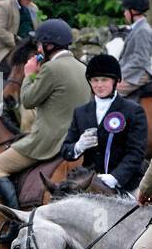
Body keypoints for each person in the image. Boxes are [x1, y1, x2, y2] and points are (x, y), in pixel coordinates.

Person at [0, 19, 89, 210]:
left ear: (49, 45)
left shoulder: (50, 68)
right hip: (76, 141)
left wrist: (28, 74)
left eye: (41, 44)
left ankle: (15, 216)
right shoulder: (83, 68)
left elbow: (27, 100)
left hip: (48, 142)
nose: (39, 49)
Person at [60, 53, 146, 193]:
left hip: (125, 183)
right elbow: (65, 150)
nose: (99, 85)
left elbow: (136, 153)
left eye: (104, 80)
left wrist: (115, 177)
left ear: (115, 81)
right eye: (95, 80)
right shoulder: (80, 112)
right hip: (89, 182)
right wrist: (78, 146)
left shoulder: (133, 111)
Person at [0, 0, 43, 84]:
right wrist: (18, 42)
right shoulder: (4, 6)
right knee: (2, 72)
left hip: (29, 47)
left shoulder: (33, 8)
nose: (30, 1)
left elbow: (38, 28)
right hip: (8, 47)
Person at [116, 0, 151, 99]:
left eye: (126, 10)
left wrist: (120, 74)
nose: (124, 13)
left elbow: (140, 59)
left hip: (140, 74)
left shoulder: (143, 30)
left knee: (109, 90)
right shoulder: (137, 28)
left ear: (133, 11)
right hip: (134, 70)